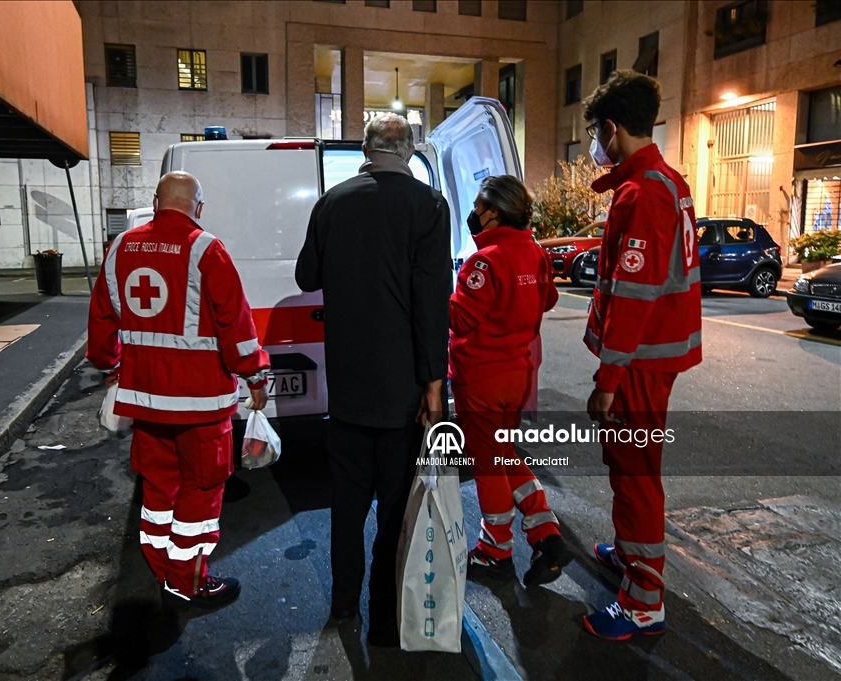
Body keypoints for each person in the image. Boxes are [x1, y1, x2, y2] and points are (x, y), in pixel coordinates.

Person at [295, 113, 452, 647]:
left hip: (347, 387)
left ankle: (343, 604)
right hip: (403, 392)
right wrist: (434, 385)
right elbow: (432, 303)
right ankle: (384, 617)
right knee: (393, 509)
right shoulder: (429, 206)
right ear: (409, 152)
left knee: (346, 503)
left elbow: (305, 276)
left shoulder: (333, 202)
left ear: (364, 149)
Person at [87, 171, 271, 611]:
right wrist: (256, 378)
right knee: (201, 489)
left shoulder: (119, 250)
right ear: (198, 208)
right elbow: (236, 327)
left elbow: (99, 329)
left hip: (146, 401)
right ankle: (187, 580)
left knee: (158, 486)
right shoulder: (207, 250)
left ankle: (159, 565)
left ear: (155, 202)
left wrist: (112, 368)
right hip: (201, 404)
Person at [580, 70, 702, 639]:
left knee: (635, 476)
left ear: (611, 128)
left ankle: (643, 601)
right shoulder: (668, 182)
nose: (595, 147)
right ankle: (633, 557)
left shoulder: (643, 191)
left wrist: (608, 377)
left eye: (595, 135)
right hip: (651, 359)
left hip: (639, 365)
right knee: (630, 468)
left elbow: (633, 295)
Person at [449, 175, 573, 587]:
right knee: (503, 454)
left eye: (479, 207)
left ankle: (494, 550)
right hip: (518, 374)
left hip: (481, 377)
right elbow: (549, 299)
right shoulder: (535, 253)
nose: (474, 214)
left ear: (494, 212)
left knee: (487, 464)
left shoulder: (484, 261)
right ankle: (545, 534)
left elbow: (459, 318)